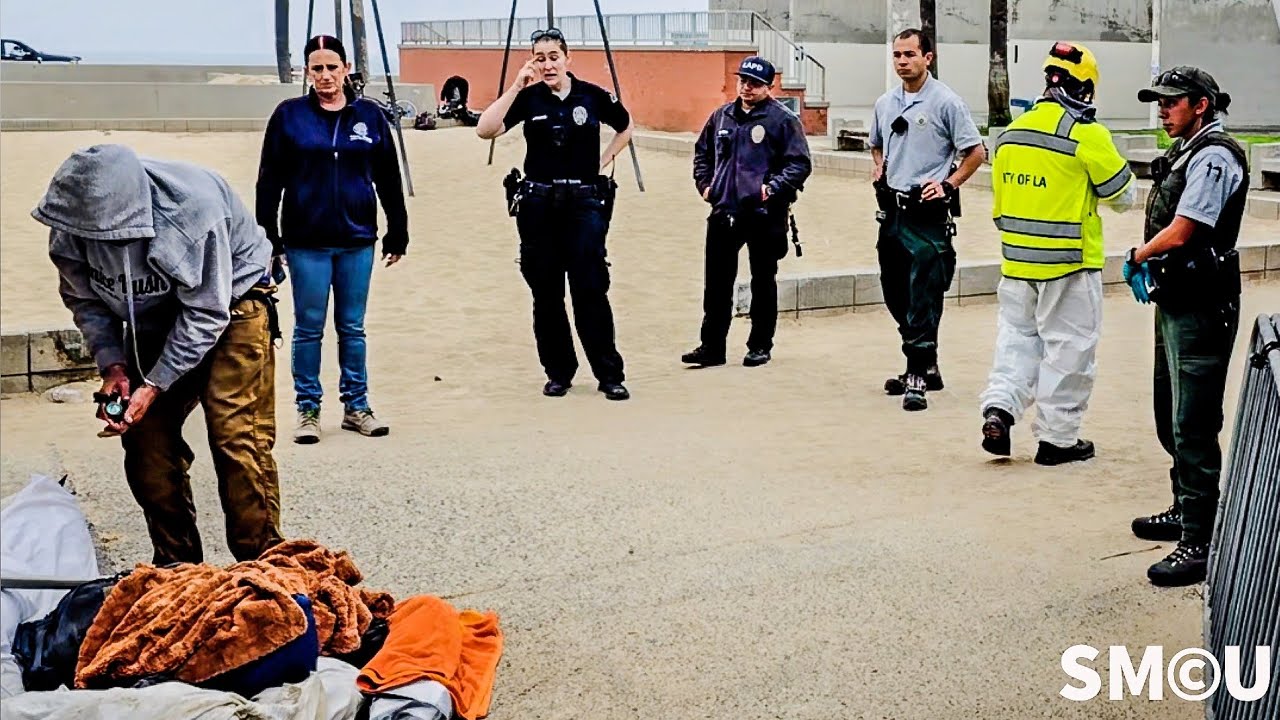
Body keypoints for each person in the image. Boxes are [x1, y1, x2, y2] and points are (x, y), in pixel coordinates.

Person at [34, 144, 285, 566]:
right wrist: (113, 366)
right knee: (145, 438)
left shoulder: (192, 215)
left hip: (234, 301)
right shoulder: (70, 222)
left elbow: (207, 311)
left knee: (234, 433)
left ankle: (261, 568)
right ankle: (177, 568)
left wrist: (154, 383)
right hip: (153, 317)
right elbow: (85, 301)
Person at [979, 42, 1136, 465]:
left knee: (1015, 342)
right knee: (1069, 350)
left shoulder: (1012, 134)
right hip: (1069, 265)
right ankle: (1058, 440)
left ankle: (1000, 407)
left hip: (1015, 264)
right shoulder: (1086, 134)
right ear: (1085, 88)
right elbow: (1123, 195)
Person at [1126, 67, 1248, 587]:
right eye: (1159, 100)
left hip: (1202, 304)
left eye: (1171, 101)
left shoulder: (1215, 155)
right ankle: (1184, 507)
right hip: (1178, 297)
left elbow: (1186, 228)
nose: (1162, 109)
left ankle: (1200, 539)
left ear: (1200, 105)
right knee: (1168, 411)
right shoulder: (1189, 150)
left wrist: (1139, 254)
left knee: (1193, 421)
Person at [256, 34, 408, 443]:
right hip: (306, 240)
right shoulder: (289, 116)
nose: (325, 75)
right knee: (308, 327)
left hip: (358, 238)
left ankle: (356, 406)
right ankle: (308, 409)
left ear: (345, 70)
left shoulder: (370, 116)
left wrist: (399, 229)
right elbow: (269, 181)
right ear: (307, 72)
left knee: (352, 327)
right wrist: (267, 237)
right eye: (316, 68)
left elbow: (389, 178)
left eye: (331, 67)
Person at [475, 28, 633, 400]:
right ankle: (559, 372)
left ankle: (609, 373)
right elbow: (485, 130)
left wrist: (602, 161)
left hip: (583, 203)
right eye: (539, 57)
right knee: (546, 293)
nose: (547, 64)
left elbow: (625, 126)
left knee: (590, 289)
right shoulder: (528, 99)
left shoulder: (592, 96)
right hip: (539, 203)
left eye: (553, 56)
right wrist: (516, 85)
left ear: (567, 58)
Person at [870, 28, 986, 411]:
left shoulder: (946, 102)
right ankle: (925, 362)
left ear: (928, 58)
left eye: (910, 54)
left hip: (927, 214)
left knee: (924, 292)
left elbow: (975, 152)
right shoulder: (885, 103)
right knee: (894, 290)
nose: (902, 61)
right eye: (897, 55)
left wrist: (949, 184)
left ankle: (917, 371)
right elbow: (875, 144)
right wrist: (879, 168)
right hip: (893, 211)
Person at [681, 56, 812, 368]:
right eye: (743, 81)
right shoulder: (722, 116)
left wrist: (771, 188)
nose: (747, 88)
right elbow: (702, 152)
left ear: (769, 87)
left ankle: (760, 345)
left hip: (764, 214)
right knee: (716, 283)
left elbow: (800, 164)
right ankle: (712, 346)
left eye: (755, 83)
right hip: (724, 210)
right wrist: (706, 185)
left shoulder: (782, 121)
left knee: (762, 281)